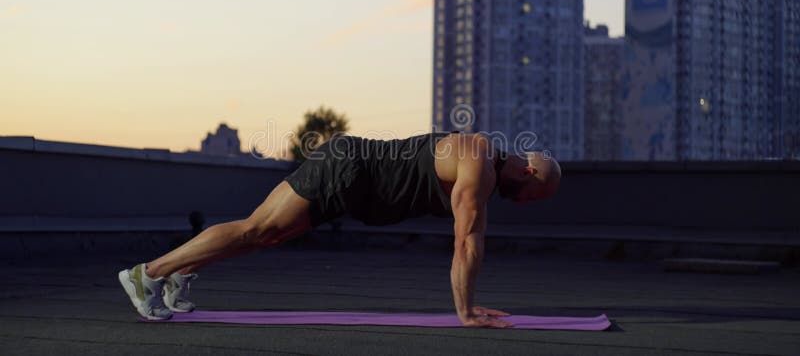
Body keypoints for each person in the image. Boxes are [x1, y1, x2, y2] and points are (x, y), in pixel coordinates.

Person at [118, 131, 561, 328]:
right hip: (350, 170)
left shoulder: (478, 157)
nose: (521, 202)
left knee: (264, 232)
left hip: (351, 173)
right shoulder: (478, 165)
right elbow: (466, 241)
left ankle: (178, 272)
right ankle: (149, 274)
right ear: (526, 170)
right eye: (528, 196)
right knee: (258, 230)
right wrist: (466, 311)